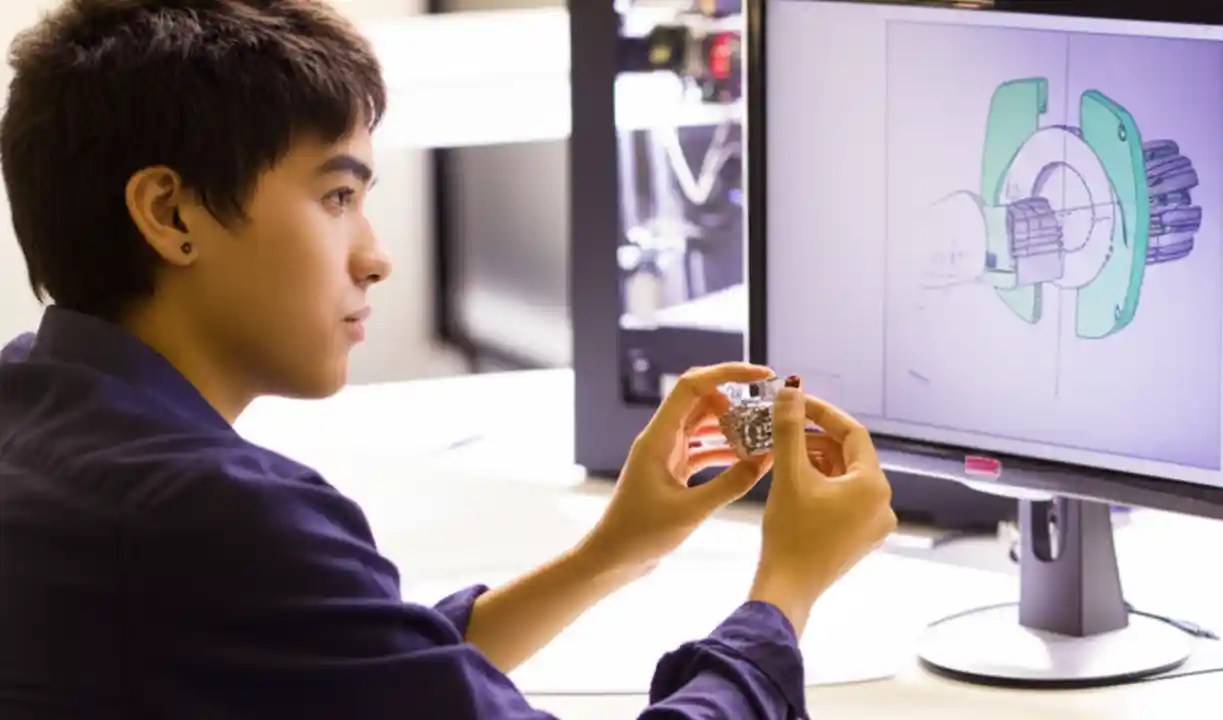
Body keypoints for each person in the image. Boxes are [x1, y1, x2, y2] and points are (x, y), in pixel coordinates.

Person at [0, 1, 897, 718]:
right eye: (338, 195)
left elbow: (359, 677)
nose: (375, 255)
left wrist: (615, 553)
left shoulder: (31, 406)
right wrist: (785, 595)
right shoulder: (222, 520)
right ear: (171, 214)